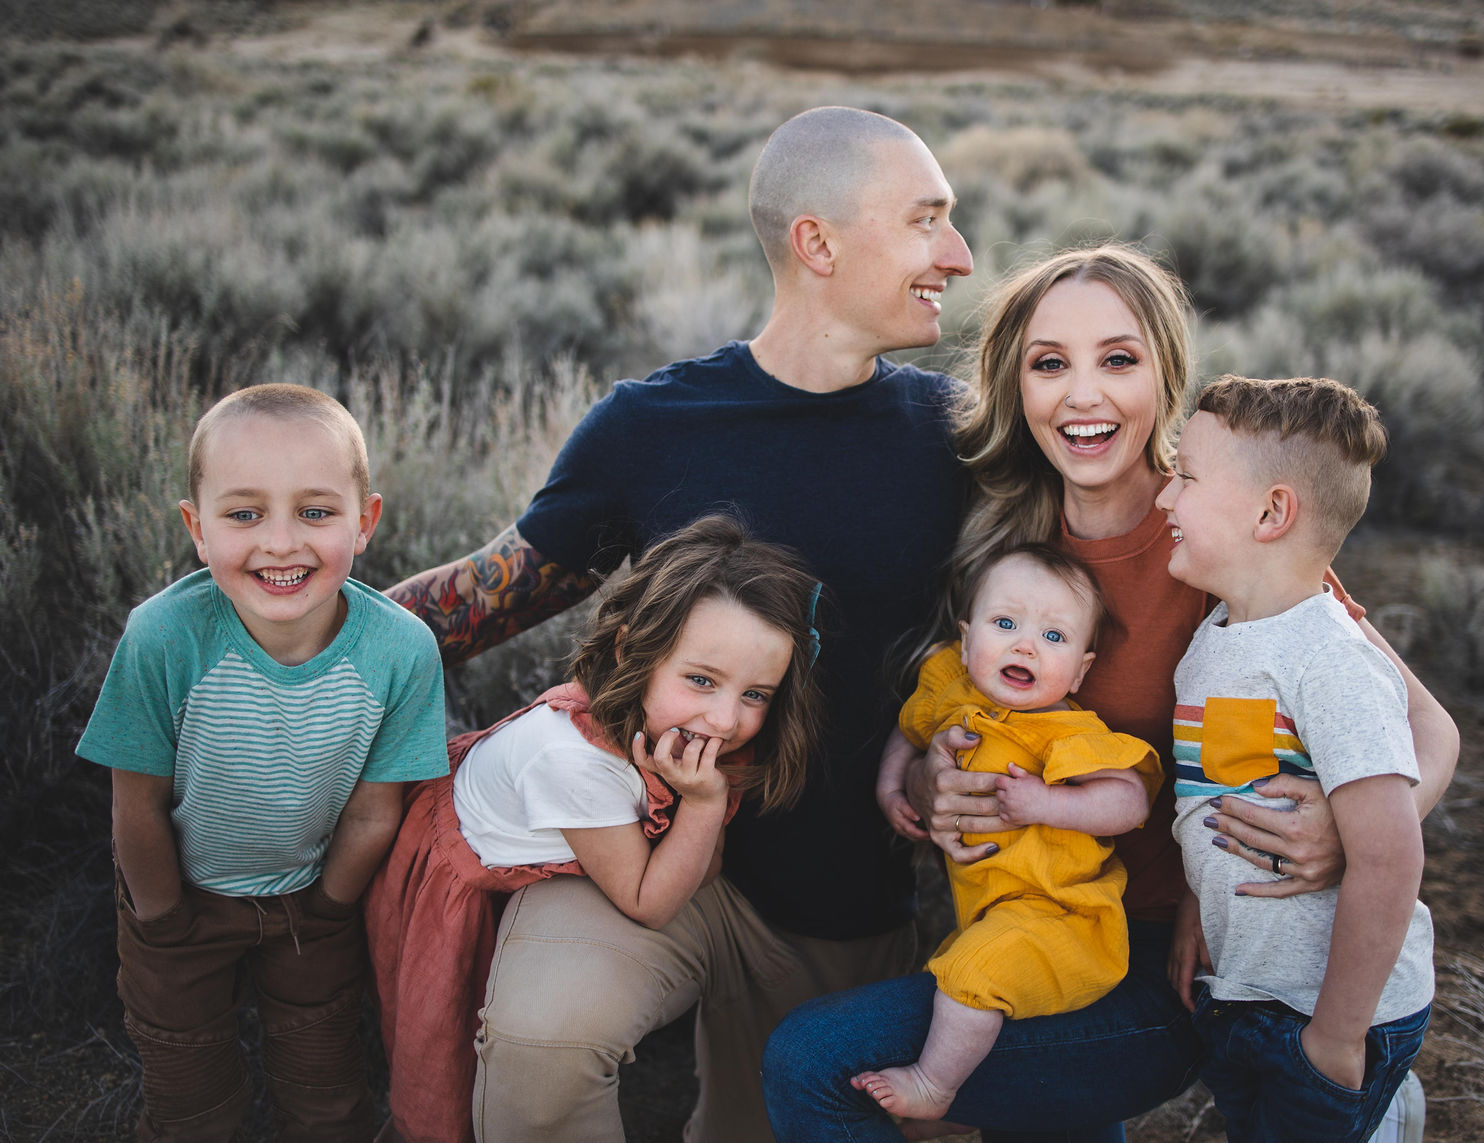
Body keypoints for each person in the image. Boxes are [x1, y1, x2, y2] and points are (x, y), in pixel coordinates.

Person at [761, 243, 1458, 1143]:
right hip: (1025, 919)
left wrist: (1336, 829)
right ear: (1017, 386)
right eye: (1050, 363)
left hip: (1182, 956)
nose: (1082, 395)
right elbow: (955, 705)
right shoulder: (999, 544)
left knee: (814, 1062)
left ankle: (1369, 1105)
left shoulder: (1223, 540)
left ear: (1165, 377)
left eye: (1118, 359)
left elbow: (1428, 729)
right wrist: (934, 781)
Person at [383, 105, 974, 1141]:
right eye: (927, 220)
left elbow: (1084, 586)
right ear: (817, 242)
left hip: (841, 898)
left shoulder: (954, 437)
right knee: (540, 1048)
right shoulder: (652, 427)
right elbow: (483, 599)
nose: (958, 255)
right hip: (632, 850)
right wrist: (249, 635)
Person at [365, 516, 823, 1143]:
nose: (724, 718)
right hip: (456, 876)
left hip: (545, 848)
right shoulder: (576, 762)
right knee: (448, 1051)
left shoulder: (680, 731)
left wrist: (701, 809)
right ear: (631, 650)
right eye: (701, 680)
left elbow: (702, 866)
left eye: (756, 694)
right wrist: (705, 805)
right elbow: (649, 900)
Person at [76, 383, 448, 1141]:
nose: (281, 543)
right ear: (197, 528)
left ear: (365, 521)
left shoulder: (401, 651)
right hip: (176, 895)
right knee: (192, 1099)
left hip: (313, 900)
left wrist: (328, 909)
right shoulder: (164, 637)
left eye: (315, 512)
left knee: (326, 1092)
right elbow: (136, 805)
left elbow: (373, 811)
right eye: (245, 514)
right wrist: (163, 919)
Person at [1158, 376, 1433, 1142]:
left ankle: (1378, 1110)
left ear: (1271, 512)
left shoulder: (1330, 660)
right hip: (1248, 990)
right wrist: (1197, 905)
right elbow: (1222, 792)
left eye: (1185, 478)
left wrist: (1336, 1039)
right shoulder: (1215, 638)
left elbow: (1389, 858)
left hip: (1331, 1015)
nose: (1164, 499)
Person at [853, 544, 1162, 1123]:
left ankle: (934, 1088)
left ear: (1081, 670)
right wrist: (892, 786)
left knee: (972, 974)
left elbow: (1130, 800)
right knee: (969, 968)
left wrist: (1048, 802)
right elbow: (910, 726)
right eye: (1005, 624)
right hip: (998, 914)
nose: (1025, 646)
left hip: (1065, 918)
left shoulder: (1067, 732)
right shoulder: (952, 691)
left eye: (1053, 637)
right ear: (966, 639)